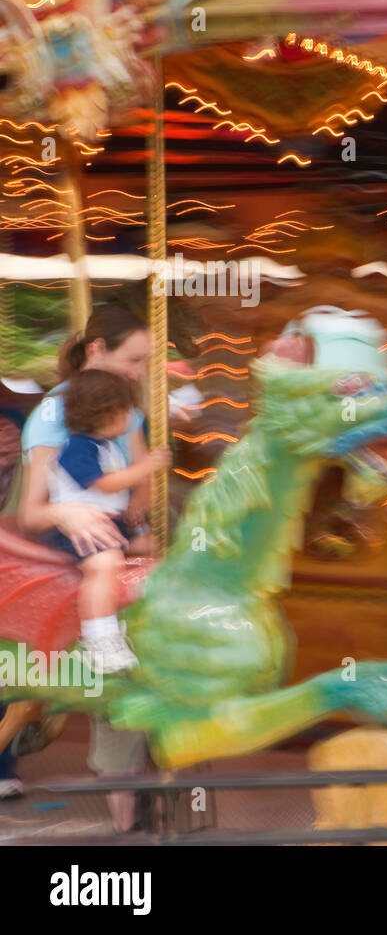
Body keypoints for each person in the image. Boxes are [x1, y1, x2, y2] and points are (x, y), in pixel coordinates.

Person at [11, 303, 154, 828]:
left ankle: (135, 776)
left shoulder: (127, 410)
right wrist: (67, 509)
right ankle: (116, 779)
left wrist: (141, 523)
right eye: (133, 360)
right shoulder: (54, 415)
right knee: (112, 628)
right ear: (97, 350)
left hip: (114, 534)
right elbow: (31, 510)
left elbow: (140, 482)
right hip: (61, 543)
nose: (140, 374)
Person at [37, 369, 171, 671]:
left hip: (110, 524)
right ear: (105, 413)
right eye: (126, 411)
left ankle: (138, 622)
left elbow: (113, 491)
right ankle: (98, 638)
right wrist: (147, 466)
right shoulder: (78, 448)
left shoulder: (106, 446)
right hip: (81, 530)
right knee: (104, 565)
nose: (130, 417)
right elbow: (103, 484)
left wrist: (133, 505)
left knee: (153, 547)